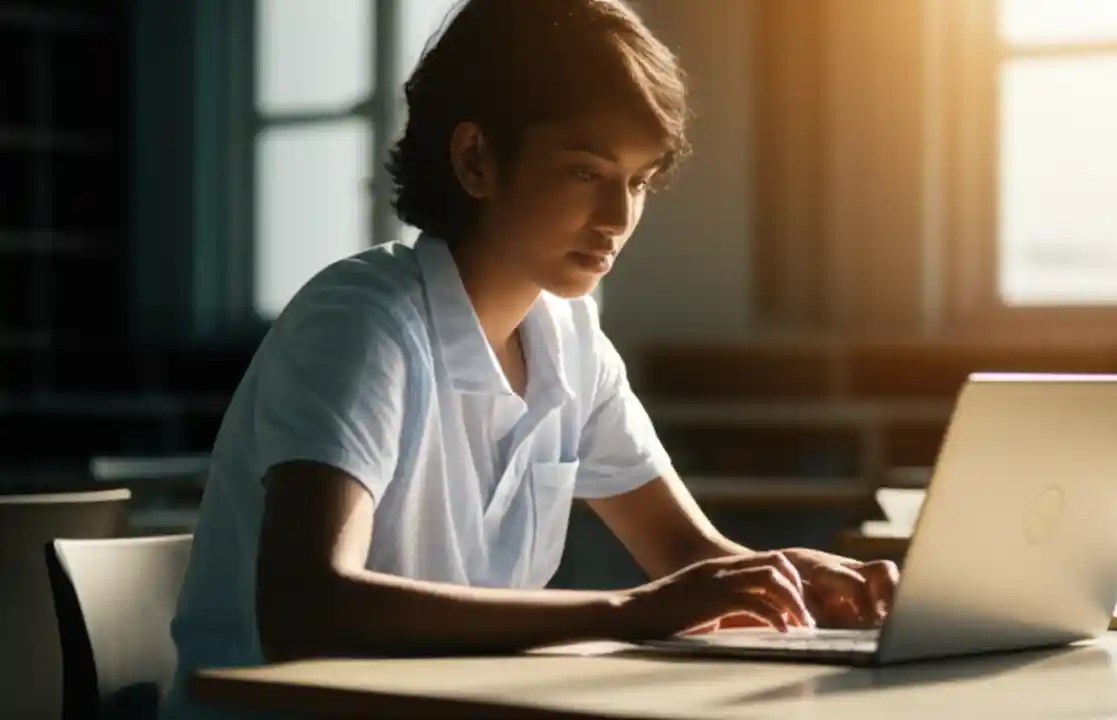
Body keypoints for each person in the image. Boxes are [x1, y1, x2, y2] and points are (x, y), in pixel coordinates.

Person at [163, 0, 898, 716]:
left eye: (638, 181)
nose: (618, 218)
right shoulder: (362, 321)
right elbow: (307, 609)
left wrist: (795, 578)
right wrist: (625, 611)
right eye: (586, 172)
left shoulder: (571, 339)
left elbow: (688, 555)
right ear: (476, 159)